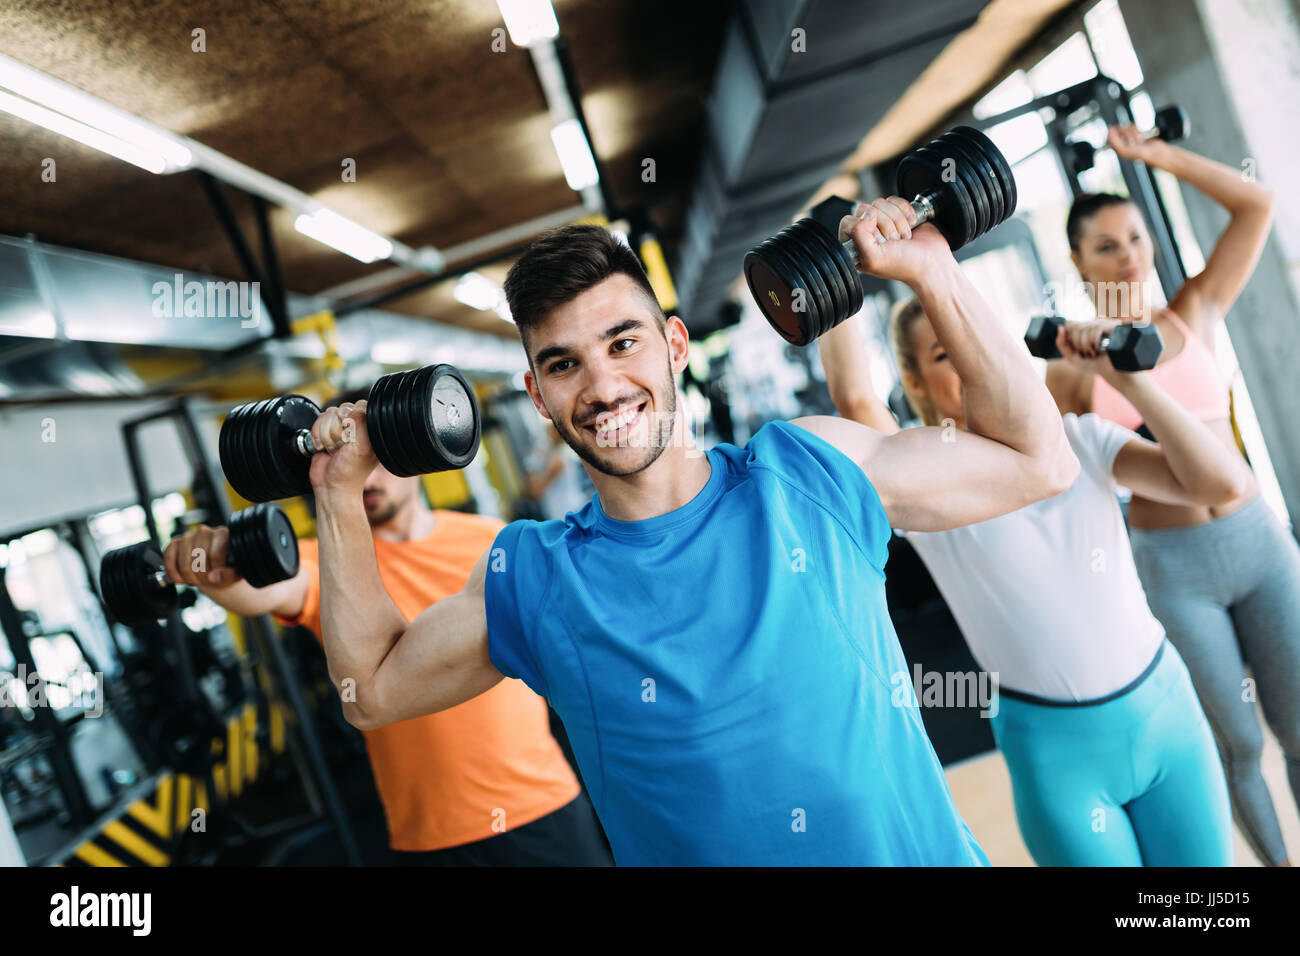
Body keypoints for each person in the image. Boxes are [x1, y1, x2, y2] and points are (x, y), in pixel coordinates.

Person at [303, 209, 1080, 866]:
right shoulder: (535, 579)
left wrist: (934, 272)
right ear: (538, 395)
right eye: (565, 365)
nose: (603, 387)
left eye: (622, 342)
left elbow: (1036, 460)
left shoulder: (809, 470)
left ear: (674, 346)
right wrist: (337, 496)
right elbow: (368, 691)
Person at [821, 228, 1250, 863]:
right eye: (942, 355)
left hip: (1167, 716)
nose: (965, 361)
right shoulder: (922, 482)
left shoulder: (1079, 440)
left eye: (969, 340)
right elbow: (855, 397)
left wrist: (1125, 381)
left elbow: (1225, 483)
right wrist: (839, 258)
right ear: (916, 385)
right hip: (1055, 750)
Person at [163, 388, 612, 866]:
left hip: (540, 807)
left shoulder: (488, 538)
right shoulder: (332, 562)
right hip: (427, 836)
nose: (364, 476)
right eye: (346, 460)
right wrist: (215, 573)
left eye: (372, 456)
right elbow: (267, 588)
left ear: (408, 450)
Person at [1047, 124, 1298, 867]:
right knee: (1239, 742)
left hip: (1259, 542)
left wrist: (1157, 157)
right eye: (1106, 245)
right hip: (1174, 567)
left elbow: (1256, 204)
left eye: (1134, 237)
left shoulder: (1193, 313)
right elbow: (1054, 481)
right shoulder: (1068, 369)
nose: (1128, 254)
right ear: (1076, 260)